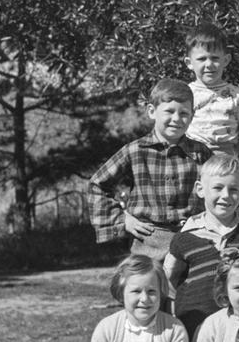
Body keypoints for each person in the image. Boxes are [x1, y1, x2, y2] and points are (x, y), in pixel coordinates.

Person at [85, 78, 207, 258]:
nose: (176, 119)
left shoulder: (201, 153)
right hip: (148, 241)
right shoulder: (134, 151)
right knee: (146, 285)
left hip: (193, 240)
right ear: (152, 111)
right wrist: (122, 220)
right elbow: (97, 185)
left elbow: (217, 189)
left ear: (192, 115)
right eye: (169, 111)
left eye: (183, 113)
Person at [163, 154, 239, 340]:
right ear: (200, 189)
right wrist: (173, 319)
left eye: (234, 189)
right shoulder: (185, 237)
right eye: (218, 188)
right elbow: (169, 281)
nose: (226, 196)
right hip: (194, 326)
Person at [184, 25, 239, 157]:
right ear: (189, 63)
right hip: (193, 155)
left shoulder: (238, 95)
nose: (209, 64)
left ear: (226, 60)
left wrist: (234, 152)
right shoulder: (185, 94)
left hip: (226, 156)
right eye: (202, 59)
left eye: (215, 58)